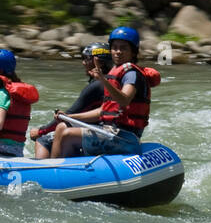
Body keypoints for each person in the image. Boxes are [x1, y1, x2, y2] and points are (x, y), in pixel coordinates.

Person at [49, 27, 156, 158]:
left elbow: (124, 100)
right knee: (61, 127)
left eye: (123, 48)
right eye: (115, 48)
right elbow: (102, 112)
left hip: (125, 138)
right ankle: (59, 166)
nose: (118, 52)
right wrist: (70, 117)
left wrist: (103, 80)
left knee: (67, 135)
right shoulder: (115, 73)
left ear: (133, 52)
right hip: (109, 131)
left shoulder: (132, 74)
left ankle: (55, 169)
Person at [31, 42, 111, 158]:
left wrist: (40, 131)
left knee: (44, 140)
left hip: (100, 132)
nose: (83, 63)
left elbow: (70, 113)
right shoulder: (113, 82)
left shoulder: (96, 86)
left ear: (99, 61)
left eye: (86, 59)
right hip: (104, 129)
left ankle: (47, 171)